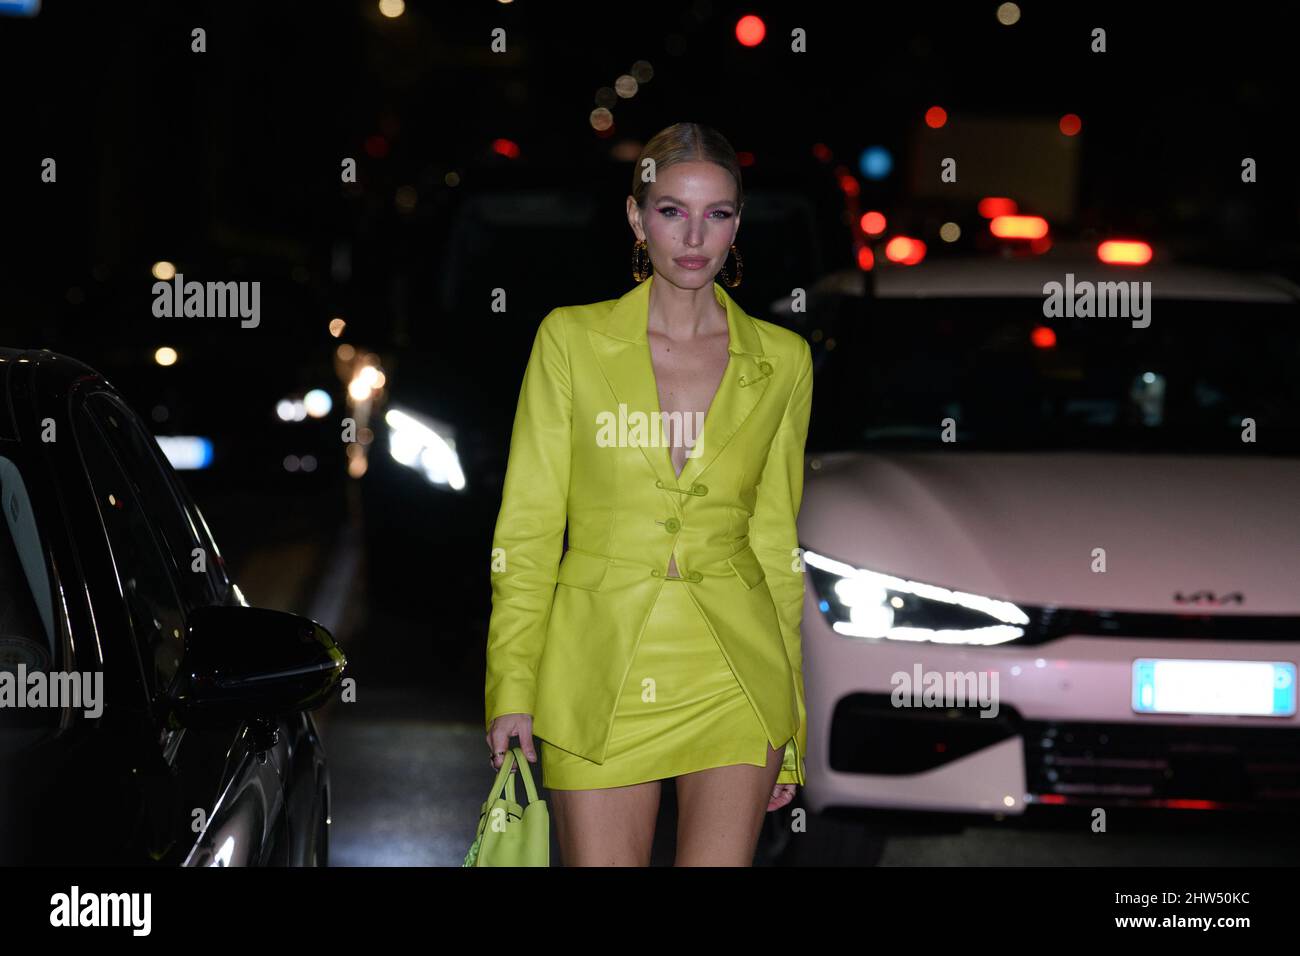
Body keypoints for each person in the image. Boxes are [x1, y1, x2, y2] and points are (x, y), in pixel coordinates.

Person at [484, 121, 813, 866]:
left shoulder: (783, 361)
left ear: (738, 224)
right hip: (598, 673)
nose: (694, 235)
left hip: (734, 674)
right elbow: (528, 528)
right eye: (671, 210)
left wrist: (790, 724)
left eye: (718, 213)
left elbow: (776, 546)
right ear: (636, 218)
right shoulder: (568, 340)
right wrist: (512, 683)